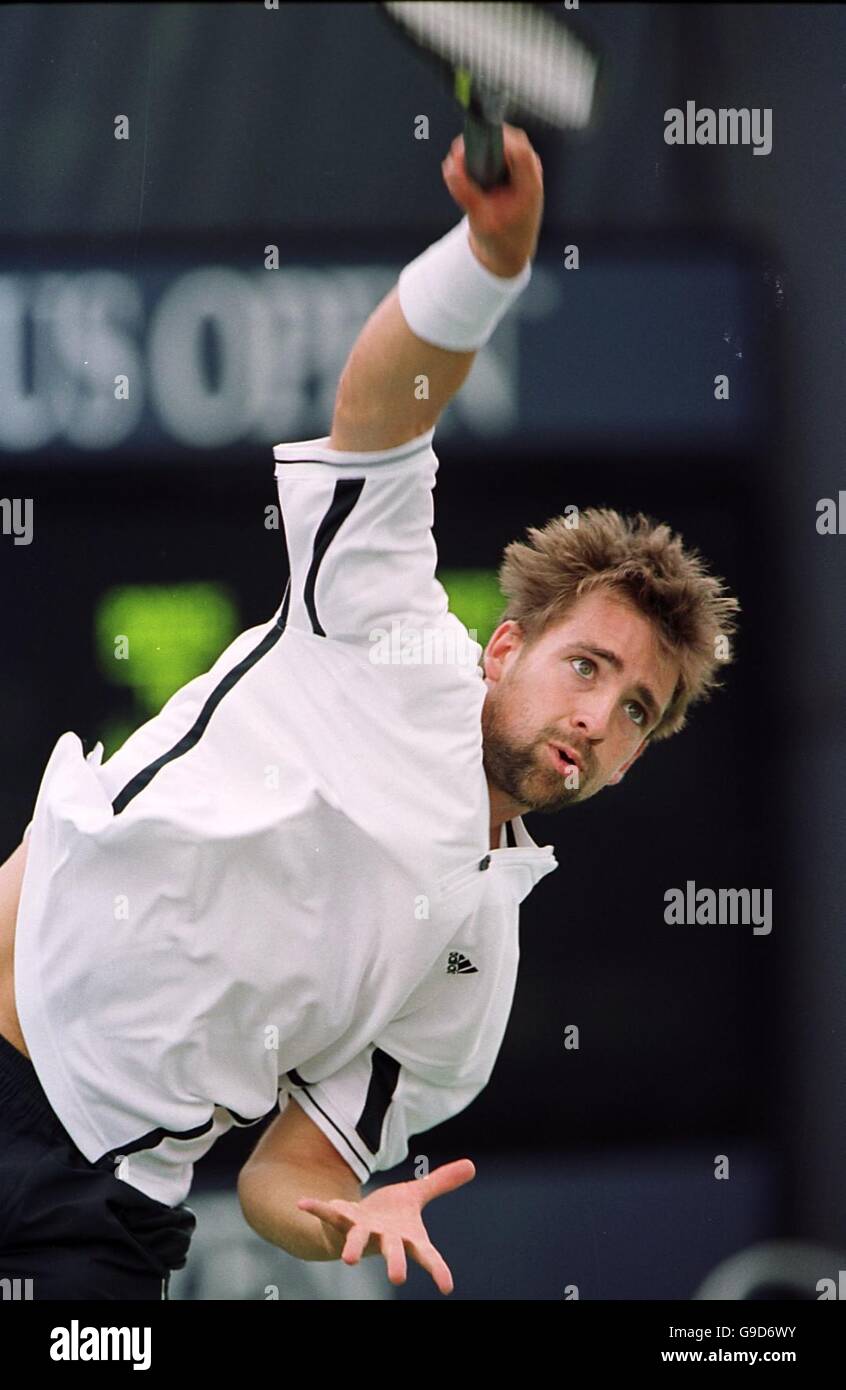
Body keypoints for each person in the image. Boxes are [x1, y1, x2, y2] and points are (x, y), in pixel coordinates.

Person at [0, 125, 739, 1300]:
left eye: (639, 709)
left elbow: (276, 1183)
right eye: (587, 666)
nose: (601, 716)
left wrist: (344, 1218)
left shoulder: (472, 984)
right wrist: (490, 264)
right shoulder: (386, 629)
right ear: (505, 647)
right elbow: (382, 404)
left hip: (101, 1204)